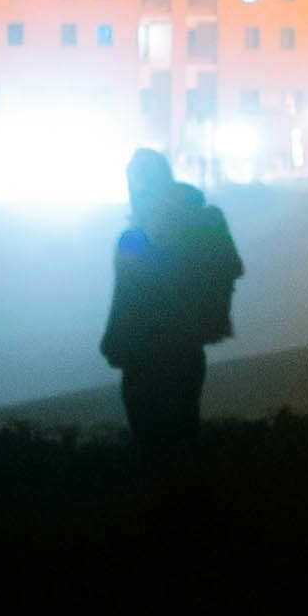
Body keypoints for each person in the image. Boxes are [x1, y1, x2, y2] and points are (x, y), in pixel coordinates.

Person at [100, 147, 244, 473]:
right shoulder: (198, 223)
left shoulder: (137, 238)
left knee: (154, 451)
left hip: (145, 357)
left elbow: (128, 300)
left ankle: (167, 515)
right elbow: (231, 267)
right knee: (182, 445)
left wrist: (114, 344)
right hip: (187, 350)